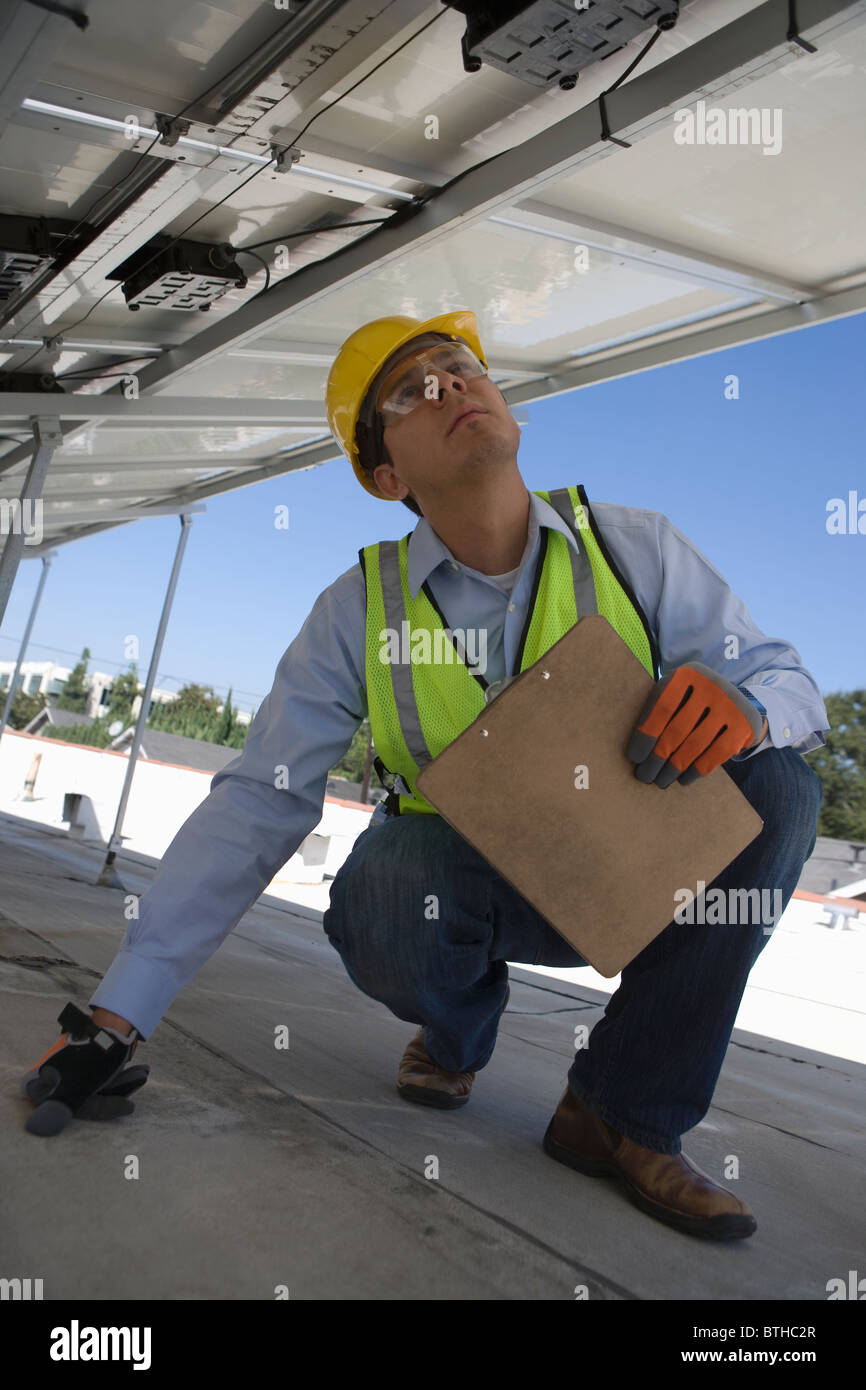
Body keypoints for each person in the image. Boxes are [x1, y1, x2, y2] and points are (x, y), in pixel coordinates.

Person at [24, 310, 827, 1243]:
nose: (447, 385)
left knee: (780, 791)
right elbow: (259, 799)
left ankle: (621, 1112)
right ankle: (456, 1039)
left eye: (456, 367)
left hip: (626, 876)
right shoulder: (359, 608)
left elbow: (785, 677)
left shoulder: (631, 544)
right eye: (409, 392)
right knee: (383, 887)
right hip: (466, 891)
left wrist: (752, 707)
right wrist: (120, 1013)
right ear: (385, 477)